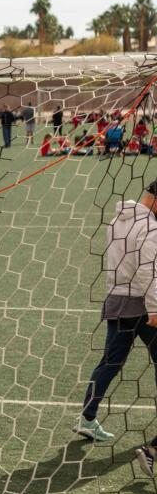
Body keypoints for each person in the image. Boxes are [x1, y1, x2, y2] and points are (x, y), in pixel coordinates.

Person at [76, 179, 157, 445]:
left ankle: (87, 419)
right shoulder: (150, 227)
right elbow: (148, 271)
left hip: (117, 300)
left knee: (110, 363)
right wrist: (155, 309)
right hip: (143, 307)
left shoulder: (117, 221)